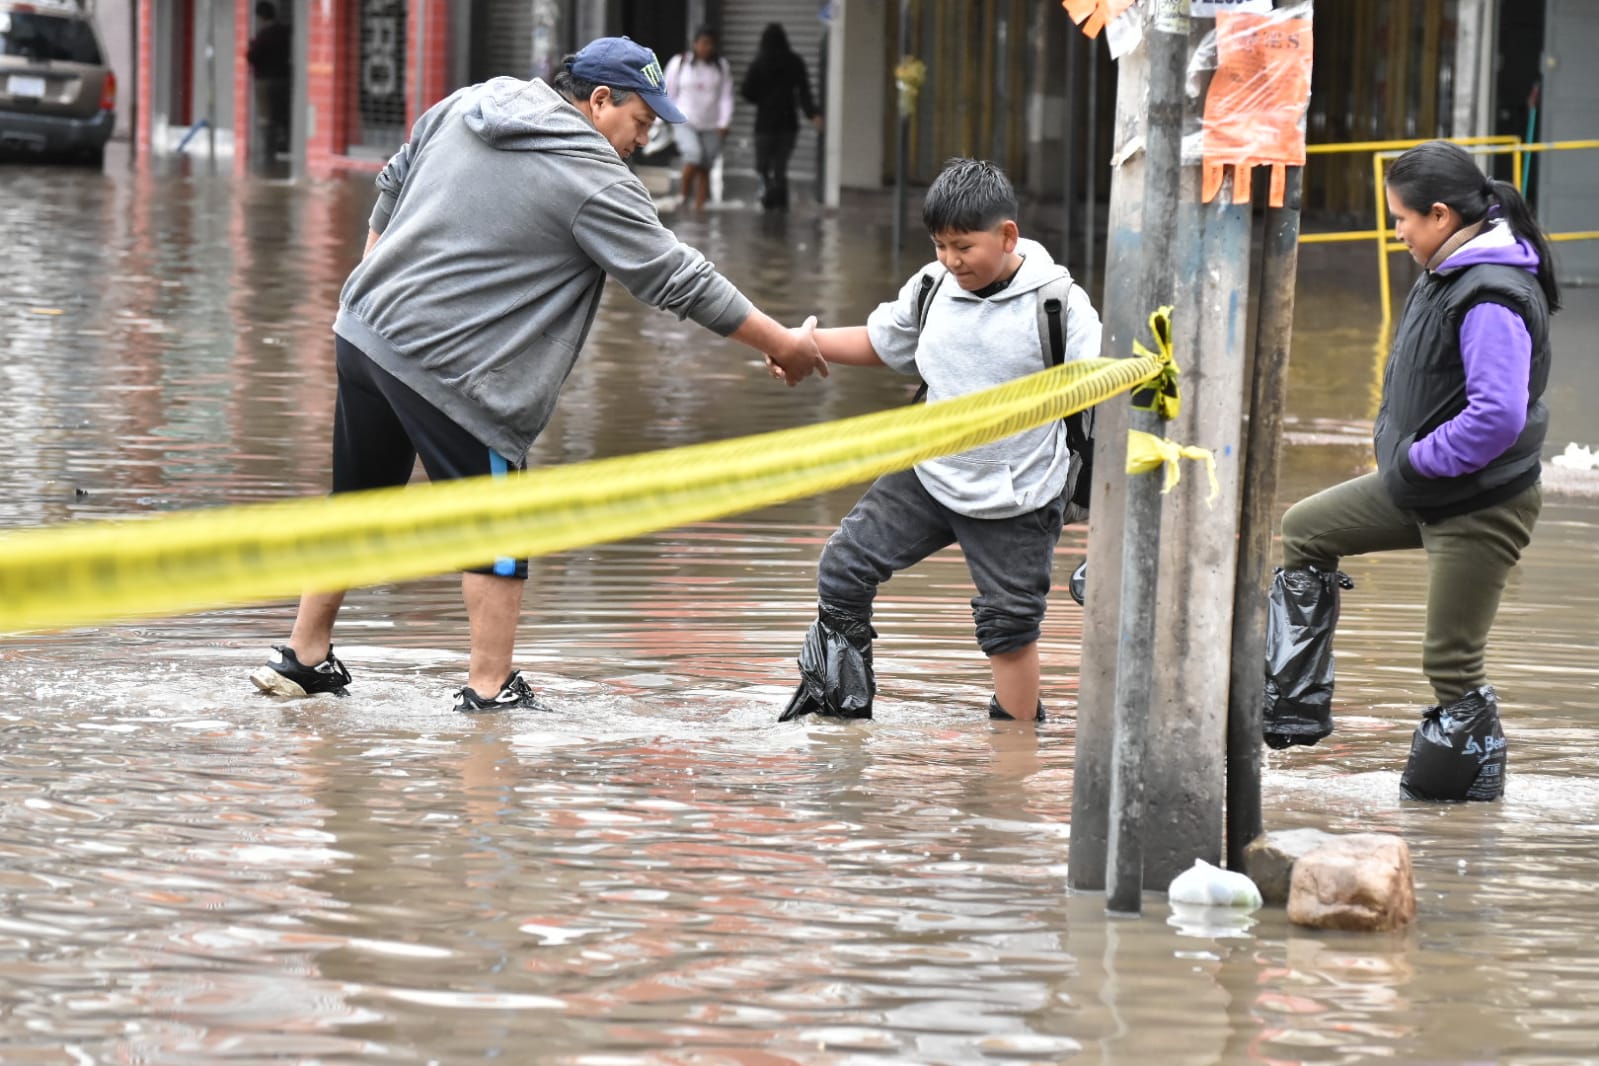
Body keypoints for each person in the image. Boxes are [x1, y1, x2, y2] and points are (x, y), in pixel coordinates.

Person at [250, 36, 828, 713]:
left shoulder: (474, 100)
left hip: (364, 337)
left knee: (357, 502)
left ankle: (304, 655)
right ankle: (489, 690)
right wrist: (783, 342)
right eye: (641, 121)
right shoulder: (591, 175)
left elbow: (392, 179)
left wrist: (367, 287)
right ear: (601, 101)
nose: (645, 138)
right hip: (454, 371)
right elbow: (678, 278)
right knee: (499, 529)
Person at [1264, 140, 1556, 796]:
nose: (1396, 232)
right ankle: (1294, 707)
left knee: (1449, 665)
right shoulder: (1448, 273)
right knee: (1306, 529)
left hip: (1478, 502)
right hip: (1421, 486)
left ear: (1441, 216)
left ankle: (1459, 815)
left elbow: (1497, 417)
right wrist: (1408, 469)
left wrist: (1418, 461)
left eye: (1401, 219)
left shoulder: (1490, 295)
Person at [778, 159, 1101, 724]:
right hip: (930, 473)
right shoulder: (932, 287)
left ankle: (1015, 756)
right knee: (843, 567)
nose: (952, 260)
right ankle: (842, 712)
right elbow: (884, 342)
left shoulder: (1057, 304)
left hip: (1016, 493)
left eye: (963, 247)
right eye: (940, 246)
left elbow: (1103, 384)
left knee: (1008, 629)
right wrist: (801, 344)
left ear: (1007, 236)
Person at [739, 22, 821, 211]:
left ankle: (768, 199)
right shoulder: (794, 62)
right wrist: (813, 114)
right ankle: (781, 202)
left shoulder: (759, 63)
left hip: (765, 123)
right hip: (788, 122)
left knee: (763, 165)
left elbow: (746, 91)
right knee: (780, 166)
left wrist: (762, 99)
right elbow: (804, 93)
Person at [662, 26, 733, 214]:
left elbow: (726, 96)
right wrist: (669, 114)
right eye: (703, 43)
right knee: (693, 155)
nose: (706, 48)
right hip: (685, 120)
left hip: (711, 122)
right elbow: (668, 90)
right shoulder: (680, 63)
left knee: (705, 164)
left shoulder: (721, 66)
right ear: (695, 44)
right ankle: (683, 196)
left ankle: (699, 206)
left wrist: (724, 122)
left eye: (710, 44)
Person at [246, 1, 291, 160]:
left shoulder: (263, 35)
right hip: (283, 79)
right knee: (283, 114)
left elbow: (251, 57)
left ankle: (268, 153)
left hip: (265, 81)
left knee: (267, 118)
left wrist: (251, 46)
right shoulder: (285, 32)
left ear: (261, 17)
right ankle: (286, 146)